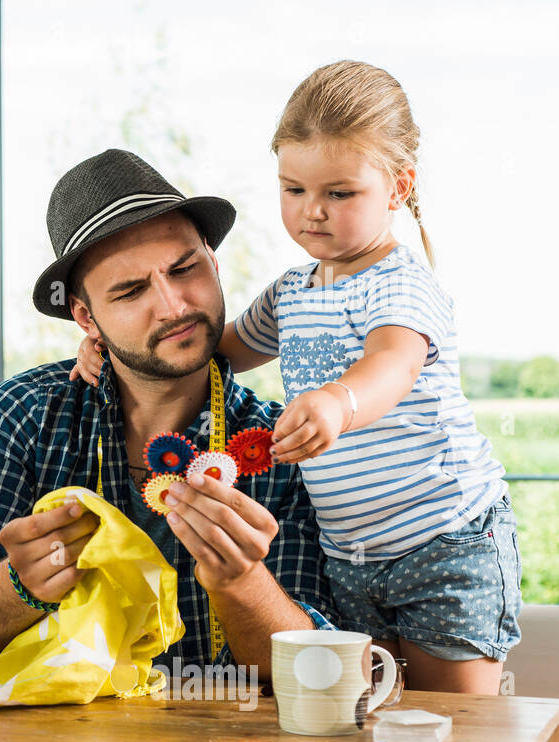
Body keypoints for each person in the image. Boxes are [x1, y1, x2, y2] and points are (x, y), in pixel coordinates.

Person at [72, 62, 520, 694]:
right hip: (352, 554)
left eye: (340, 193)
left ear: (398, 187)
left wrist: (339, 401)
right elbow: (208, 349)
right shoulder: (291, 293)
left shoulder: (402, 281)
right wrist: (103, 348)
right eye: (293, 189)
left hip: (442, 536)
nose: (313, 212)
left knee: (456, 721)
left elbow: (393, 361)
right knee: (380, 709)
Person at [0, 149, 340, 681]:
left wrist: (241, 583)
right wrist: (21, 586)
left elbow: (320, 673)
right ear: (85, 317)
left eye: (185, 269)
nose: (173, 305)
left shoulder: (280, 446)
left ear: (213, 261)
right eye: (131, 291)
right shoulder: (22, 415)